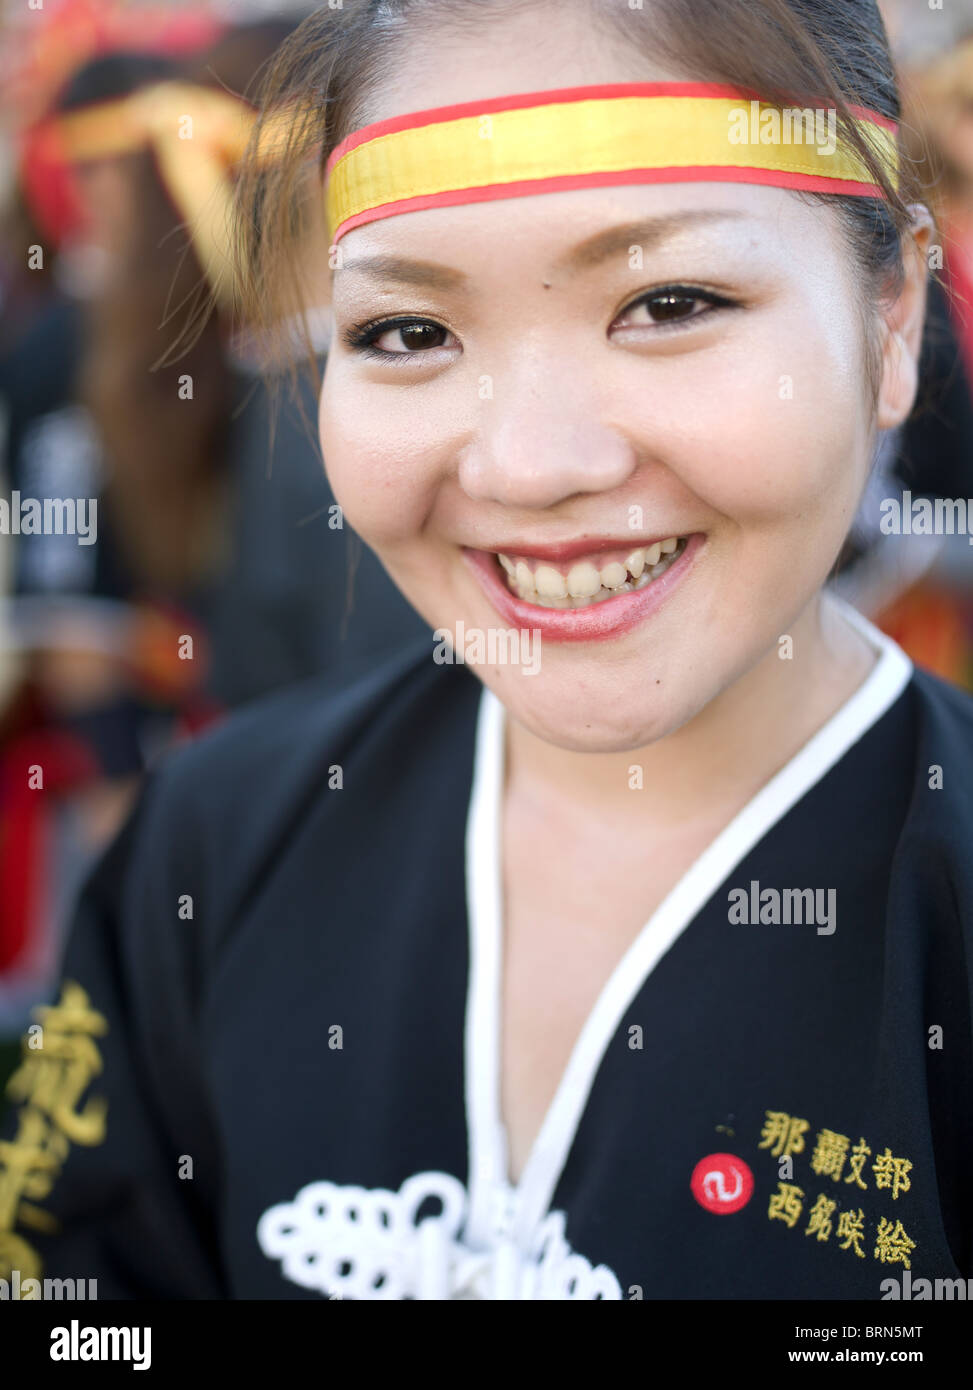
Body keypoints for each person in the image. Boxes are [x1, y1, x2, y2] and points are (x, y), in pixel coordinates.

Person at [2, 0, 972, 1302]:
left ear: (892, 317)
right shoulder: (209, 846)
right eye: (408, 331)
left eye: (669, 300)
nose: (528, 463)